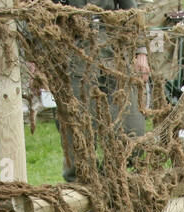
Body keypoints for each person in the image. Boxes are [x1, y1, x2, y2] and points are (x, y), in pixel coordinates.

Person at [58, 0, 151, 182]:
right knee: (78, 133)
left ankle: (119, 182)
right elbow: (42, 13)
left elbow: (132, 12)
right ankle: (81, 188)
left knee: (133, 131)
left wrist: (141, 52)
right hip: (75, 56)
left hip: (113, 54)